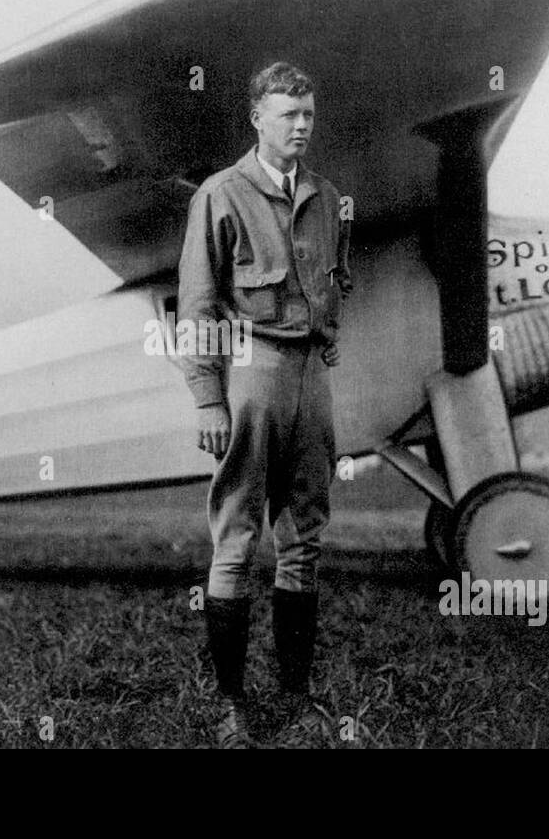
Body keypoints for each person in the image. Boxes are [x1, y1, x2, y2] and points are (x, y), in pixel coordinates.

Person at [177, 61, 351, 747]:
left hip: (312, 377)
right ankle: (231, 705)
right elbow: (197, 304)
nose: (301, 126)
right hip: (251, 374)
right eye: (288, 115)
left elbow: (336, 277)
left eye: (308, 114)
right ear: (258, 118)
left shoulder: (328, 195)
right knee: (239, 535)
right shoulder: (221, 195)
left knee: (305, 535)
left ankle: (296, 696)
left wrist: (328, 332)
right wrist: (207, 399)